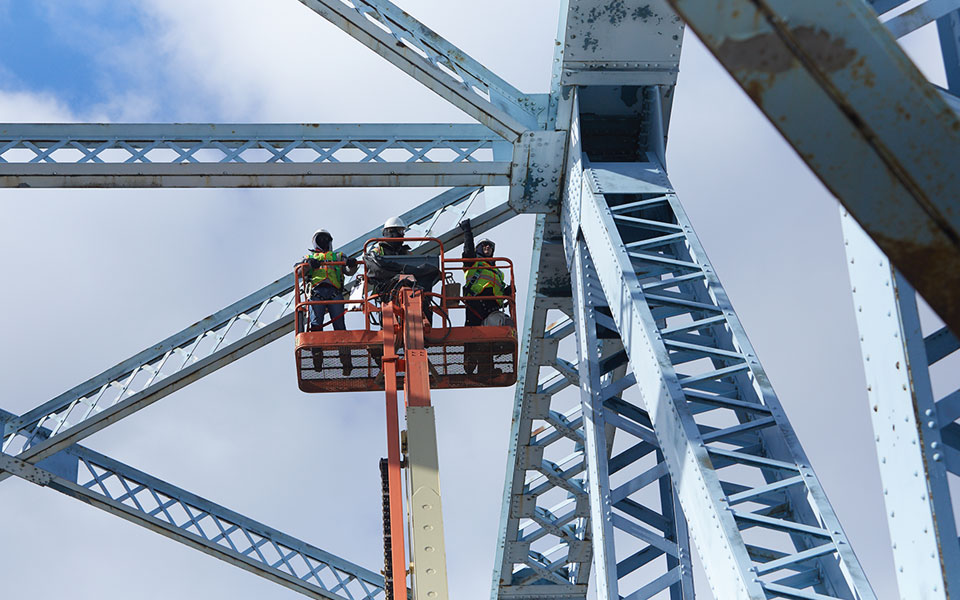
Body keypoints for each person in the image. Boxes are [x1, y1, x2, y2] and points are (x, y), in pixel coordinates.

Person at [299, 229, 358, 375]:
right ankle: (317, 358)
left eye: (326, 239)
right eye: (322, 239)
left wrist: (353, 264)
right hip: (317, 293)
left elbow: (350, 271)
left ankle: (346, 361)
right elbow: (299, 272)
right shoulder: (309, 257)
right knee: (316, 325)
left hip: (334, 293)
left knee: (339, 327)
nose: (324, 242)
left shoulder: (338, 256)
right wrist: (308, 265)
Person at [459, 218, 512, 377]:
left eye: (490, 246)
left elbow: (500, 291)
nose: (487, 247)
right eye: (484, 245)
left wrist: (508, 292)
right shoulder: (473, 262)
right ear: (479, 249)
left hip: (492, 306)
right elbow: (468, 250)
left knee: (490, 335)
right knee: (475, 333)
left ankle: (486, 370)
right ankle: (470, 363)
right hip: (476, 303)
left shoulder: (498, 271)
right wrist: (467, 231)